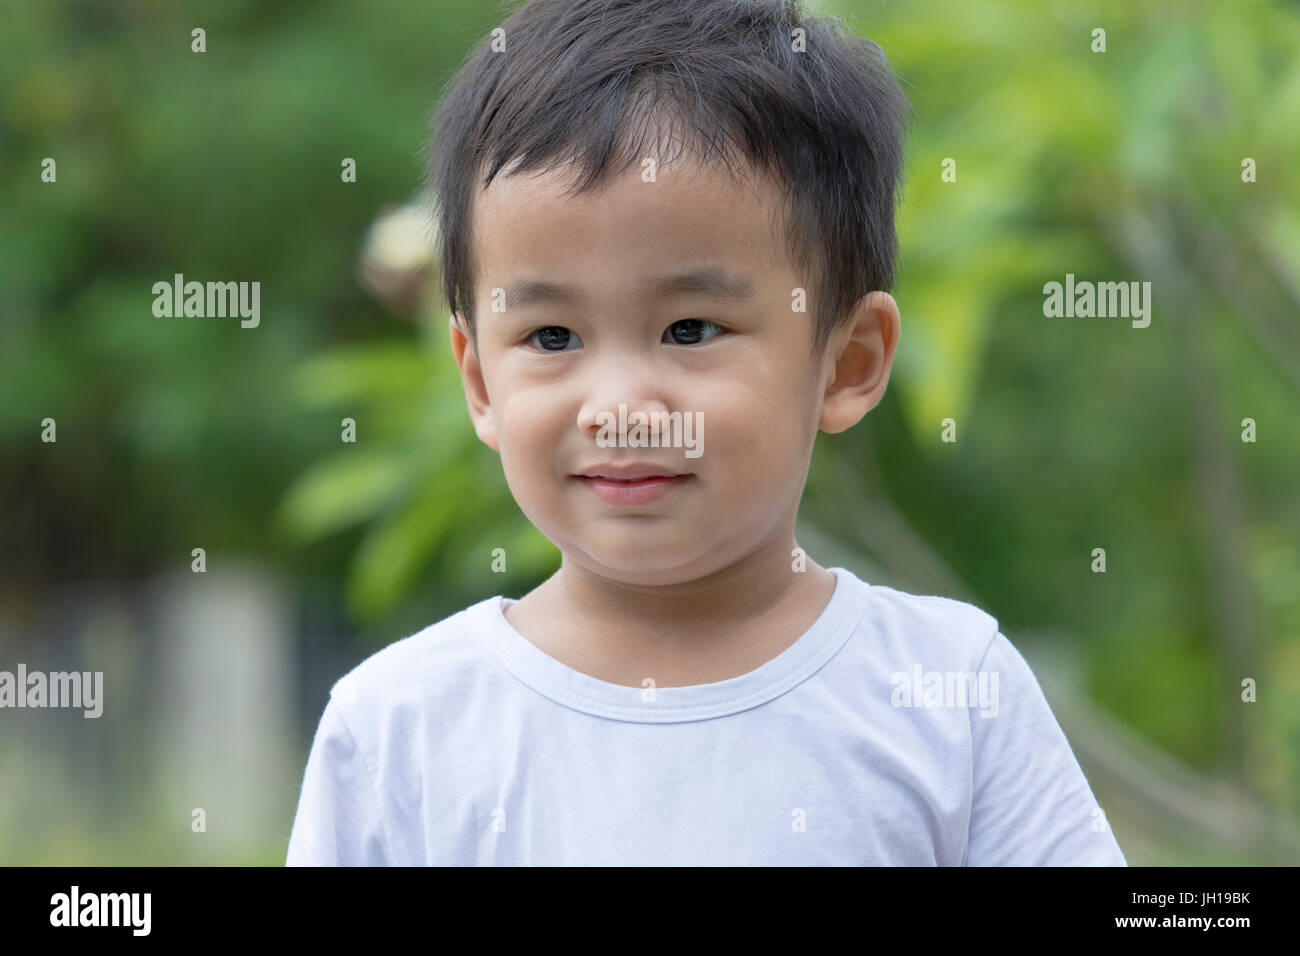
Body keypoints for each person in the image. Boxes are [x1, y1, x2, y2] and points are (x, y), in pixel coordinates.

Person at [286, 0, 1126, 866]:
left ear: (848, 361)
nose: (619, 407)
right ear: (479, 381)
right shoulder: (400, 731)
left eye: (689, 330)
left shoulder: (950, 694)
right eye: (553, 337)